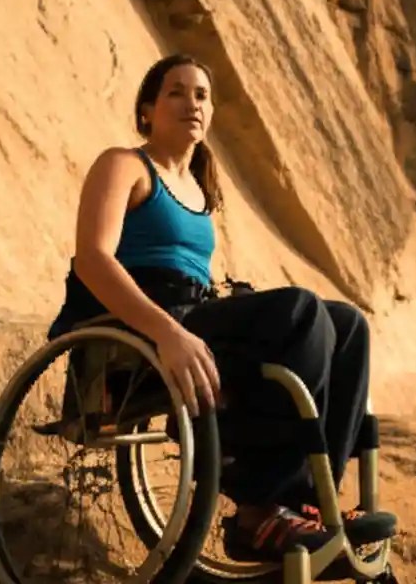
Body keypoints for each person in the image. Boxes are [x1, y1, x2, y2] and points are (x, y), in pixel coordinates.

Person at [47, 53, 397, 562]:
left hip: (194, 317)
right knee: (300, 311)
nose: (192, 103)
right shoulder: (123, 164)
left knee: (348, 323)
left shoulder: (198, 190)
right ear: (146, 110)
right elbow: (93, 262)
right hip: (144, 324)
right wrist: (168, 333)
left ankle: (311, 503)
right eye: (177, 92)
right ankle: (262, 508)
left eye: (202, 95)